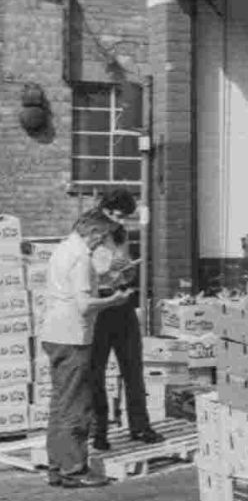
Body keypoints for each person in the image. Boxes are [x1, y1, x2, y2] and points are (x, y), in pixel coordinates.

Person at [40, 209, 133, 487]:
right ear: (91, 233)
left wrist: (102, 282)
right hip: (72, 336)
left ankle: (58, 465)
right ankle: (74, 469)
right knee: (76, 403)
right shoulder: (81, 257)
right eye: (101, 238)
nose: (101, 244)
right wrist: (115, 300)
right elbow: (84, 305)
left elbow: (73, 290)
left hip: (54, 332)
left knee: (60, 402)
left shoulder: (62, 250)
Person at [91, 190, 162, 449]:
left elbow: (127, 271)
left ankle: (140, 427)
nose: (119, 221)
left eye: (124, 217)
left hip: (122, 304)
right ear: (104, 210)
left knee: (133, 367)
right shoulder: (88, 235)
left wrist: (127, 270)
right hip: (99, 305)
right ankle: (98, 432)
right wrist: (106, 270)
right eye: (115, 215)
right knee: (95, 371)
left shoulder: (120, 233)